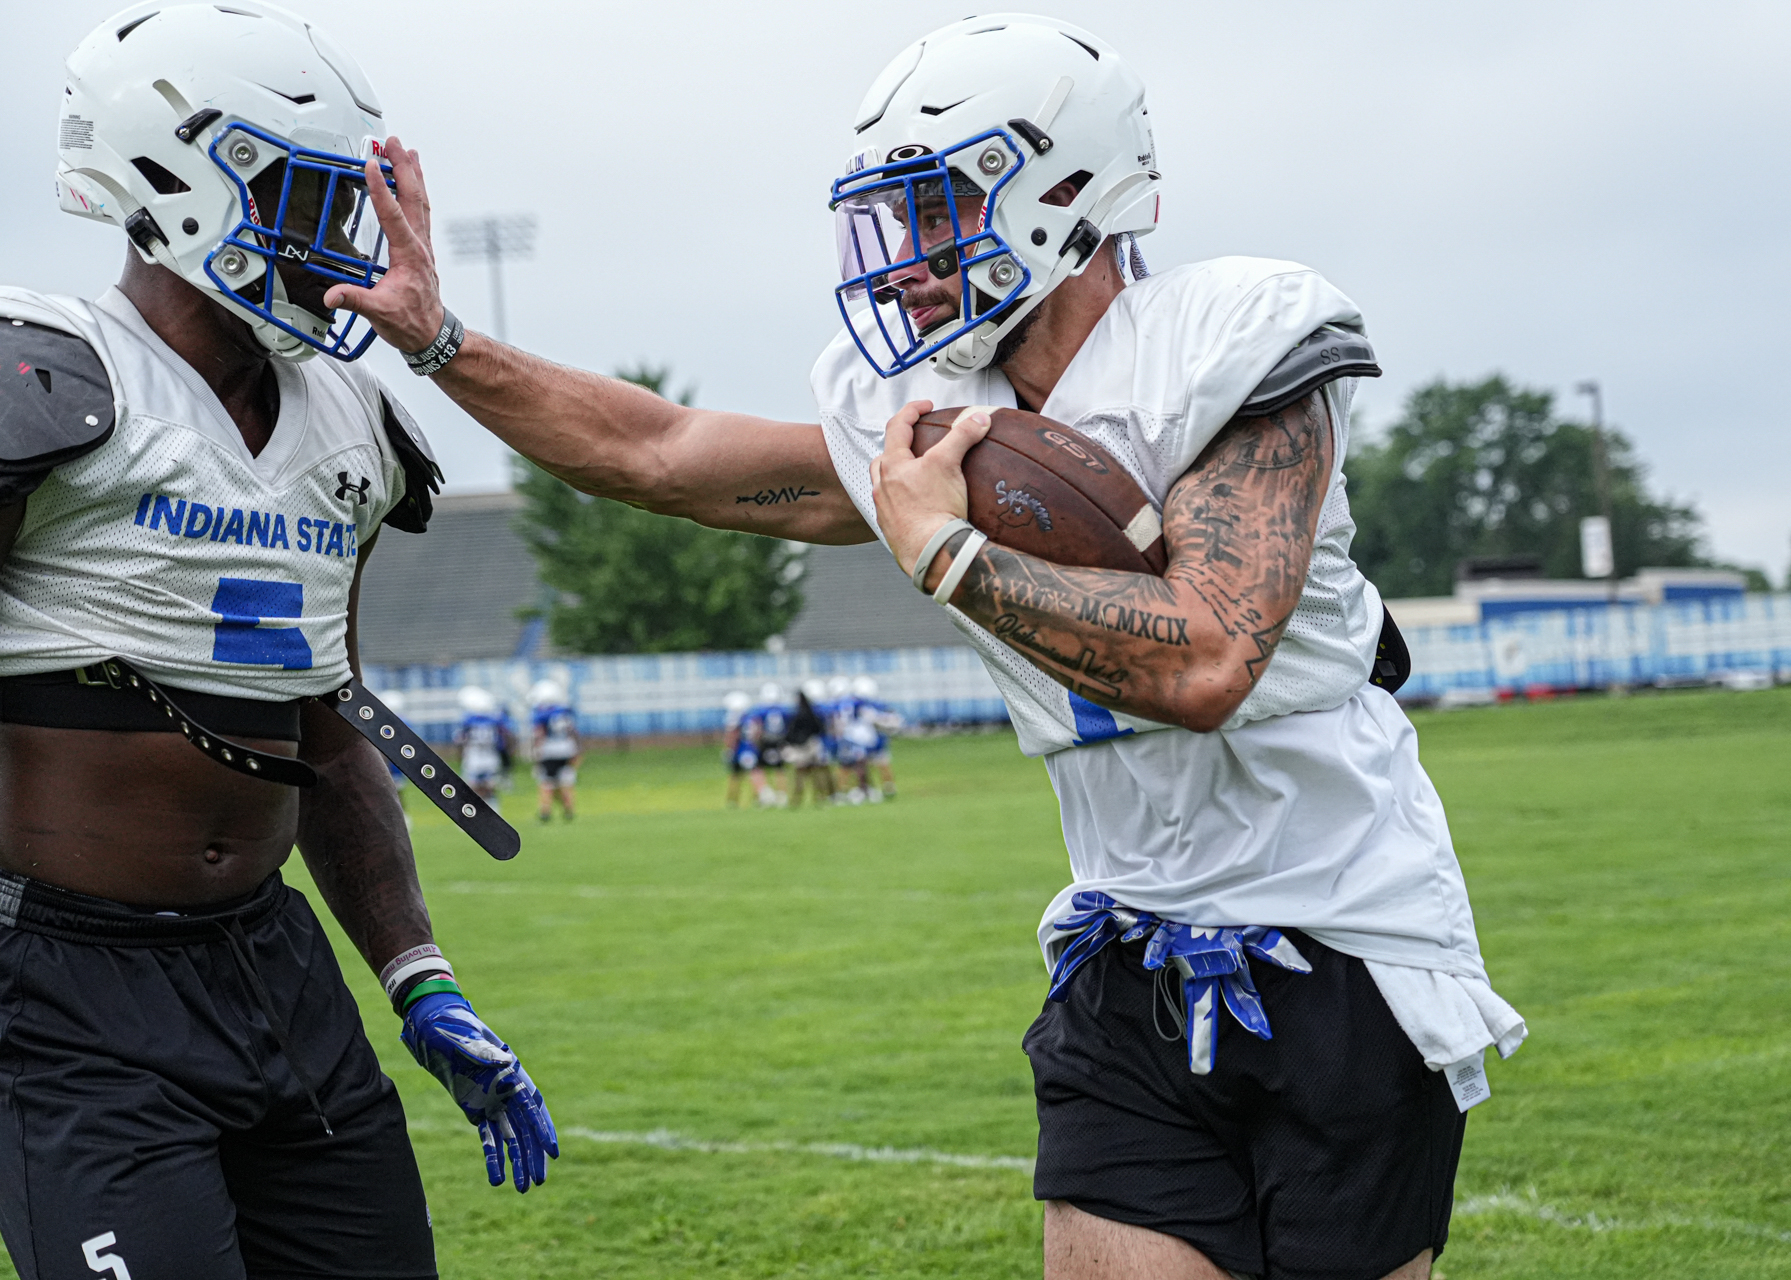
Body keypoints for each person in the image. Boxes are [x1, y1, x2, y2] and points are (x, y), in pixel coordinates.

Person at [329, 15, 1524, 1278]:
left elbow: (1208, 661)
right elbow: (660, 455)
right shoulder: (935, 416)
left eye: (938, 208)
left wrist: (948, 553)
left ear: (1066, 192)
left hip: (1345, 944)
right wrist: (440, 341)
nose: (902, 260)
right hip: (1127, 942)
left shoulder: (1231, 333)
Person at [0, 6, 556, 1277]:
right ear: (176, 177)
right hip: (66, 983)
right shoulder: (55, 374)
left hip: (270, 963)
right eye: (301, 196)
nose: (336, 240)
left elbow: (330, 714)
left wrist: (419, 973)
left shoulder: (350, 420)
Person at [527, 677, 581, 823]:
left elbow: (540, 734)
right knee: (566, 782)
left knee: (546, 783)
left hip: (550, 751)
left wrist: (535, 752)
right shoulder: (565, 711)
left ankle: (545, 811)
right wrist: (577, 751)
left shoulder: (541, 713)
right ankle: (569, 810)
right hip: (567, 749)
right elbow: (573, 732)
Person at [848, 675, 901, 802]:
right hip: (877, 739)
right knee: (881, 764)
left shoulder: (861, 705)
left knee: (863, 766)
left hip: (868, 740)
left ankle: (867, 789)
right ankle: (887, 788)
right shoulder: (878, 704)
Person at [454, 684, 507, 809]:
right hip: (490, 756)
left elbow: (460, 740)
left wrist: (460, 755)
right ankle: (494, 813)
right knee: (490, 787)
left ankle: (470, 816)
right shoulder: (494, 719)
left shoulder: (468, 720)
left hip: (474, 757)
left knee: (471, 789)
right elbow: (501, 741)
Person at [722, 689, 757, 808]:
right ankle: (756, 798)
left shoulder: (735, 717)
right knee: (751, 774)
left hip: (740, 751)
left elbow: (732, 734)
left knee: (737, 776)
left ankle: (733, 800)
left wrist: (728, 748)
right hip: (750, 750)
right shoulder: (749, 717)